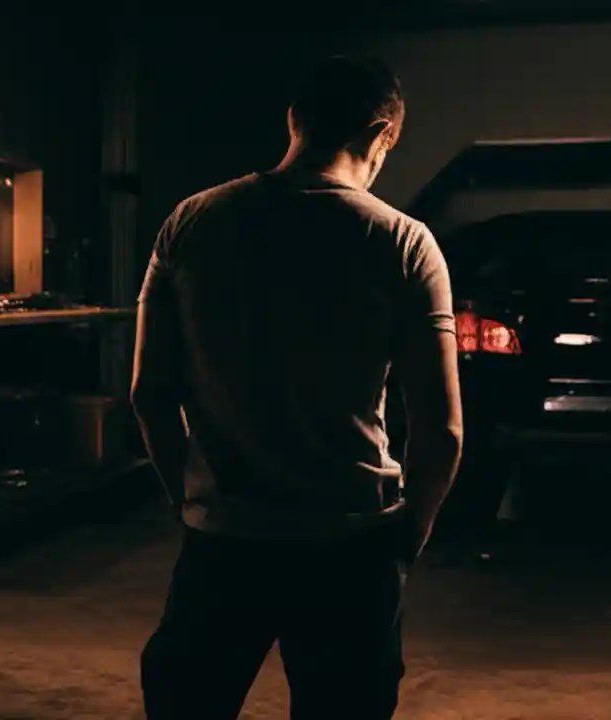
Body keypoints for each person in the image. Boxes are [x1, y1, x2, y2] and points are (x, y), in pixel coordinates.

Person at [131, 54, 464, 720]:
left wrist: (189, 502)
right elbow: (442, 429)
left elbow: (148, 393)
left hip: (224, 541)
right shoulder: (404, 243)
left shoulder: (190, 223)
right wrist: (409, 535)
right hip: (350, 547)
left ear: (294, 121)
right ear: (381, 137)